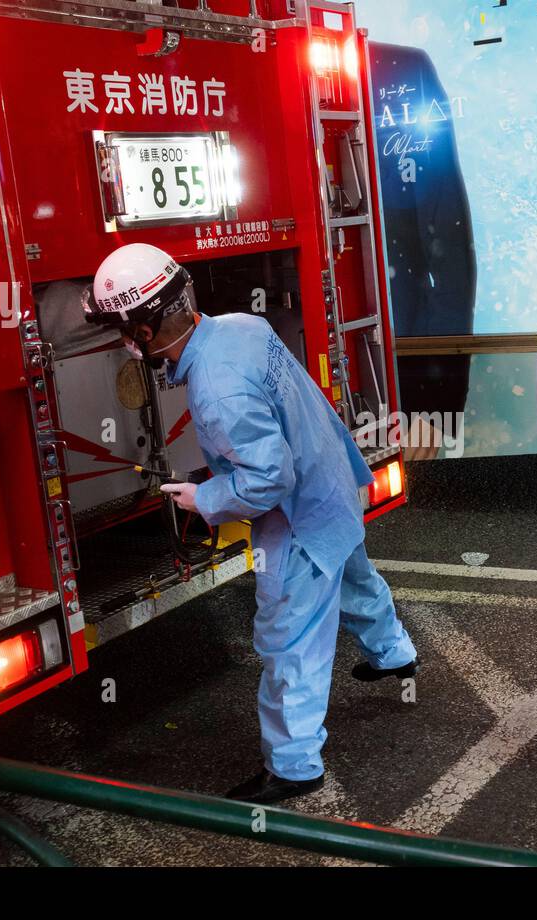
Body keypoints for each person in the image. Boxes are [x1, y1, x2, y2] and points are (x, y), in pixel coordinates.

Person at [83, 243, 419, 804]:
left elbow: (267, 480)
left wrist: (206, 496)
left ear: (142, 332)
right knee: (355, 576)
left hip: (299, 517)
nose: (125, 343)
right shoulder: (239, 326)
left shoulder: (215, 391)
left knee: (289, 638)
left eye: (124, 331)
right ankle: (395, 654)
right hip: (332, 480)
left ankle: (294, 766)